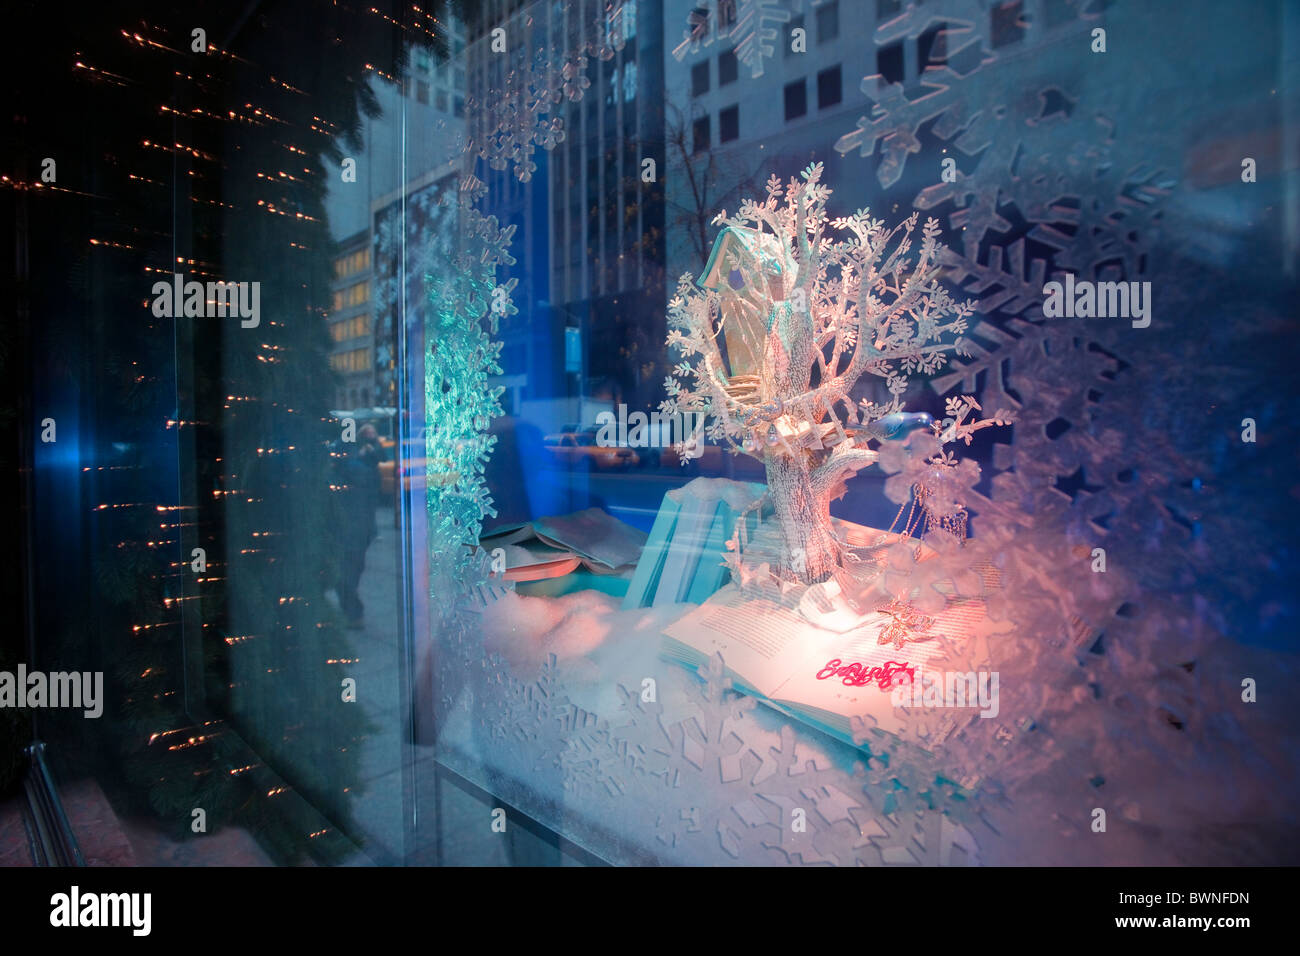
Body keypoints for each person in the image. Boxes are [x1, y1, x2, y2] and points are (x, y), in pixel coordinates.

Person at [334, 423, 382, 628]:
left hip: (355, 526)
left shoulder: (358, 460)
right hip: (354, 526)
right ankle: (353, 611)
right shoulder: (354, 463)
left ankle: (352, 610)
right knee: (350, 569)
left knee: (349, 570)